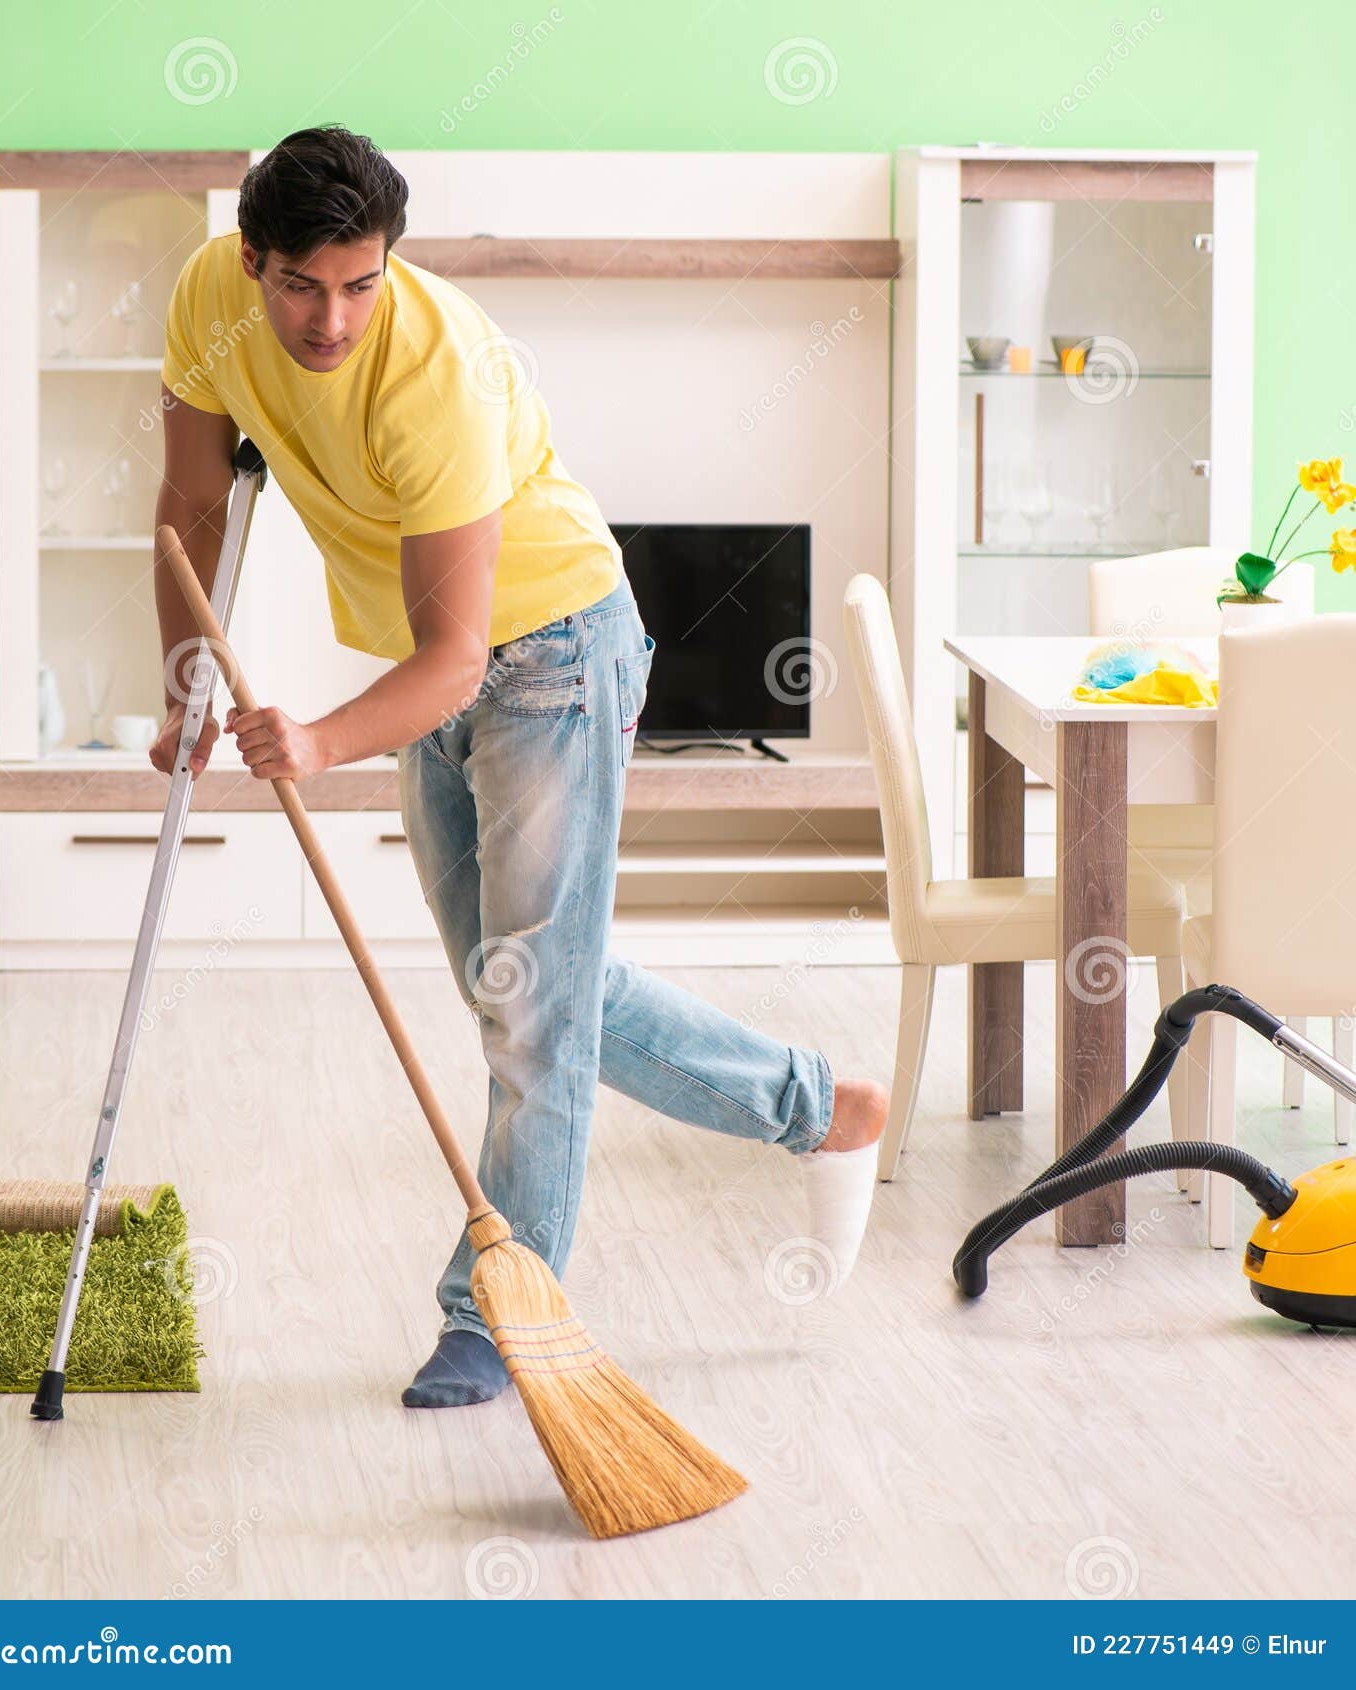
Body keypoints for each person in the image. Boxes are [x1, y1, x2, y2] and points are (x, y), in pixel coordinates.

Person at [151, 124, 889, 1409]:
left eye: (361, 283)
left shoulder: (432, 375)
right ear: (253, 260)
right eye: (301, 284)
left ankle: (500, 1311)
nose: (331, 319)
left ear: (391, 264)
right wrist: (187, 680)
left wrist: (320, 738)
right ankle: (820, 1107)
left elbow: (455, 655)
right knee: (532, 988)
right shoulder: (208, 295)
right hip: (429, 661)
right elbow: (191, 508)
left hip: (548, 648)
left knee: (532, 1014)